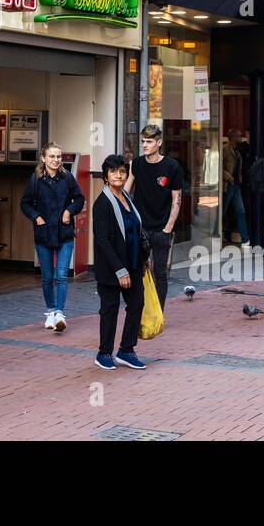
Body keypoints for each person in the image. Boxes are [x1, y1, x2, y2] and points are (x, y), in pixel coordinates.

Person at [92, 154, 149, 370]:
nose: (119, 175)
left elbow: (137, 230)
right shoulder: (103, 203)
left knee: (137, 304)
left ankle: (126, 350)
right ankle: (104, 353)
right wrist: (119, 270)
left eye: (122, 171)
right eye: (114, 171)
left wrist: (144, 259)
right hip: (112, 268)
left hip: (133, 263)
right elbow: (103, 241)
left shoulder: (126, 198)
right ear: (106, 176)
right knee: (110, 309)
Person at [21, 142, 85, 333]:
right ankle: (50, 311)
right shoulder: (35, 180)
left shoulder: (67, 178)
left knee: (62, 276)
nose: (56, 160)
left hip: (64, 234)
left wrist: (69, 211)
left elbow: (79, 199)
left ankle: (59, 312)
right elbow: (25, 204)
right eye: (52, 157)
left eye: (59, 157)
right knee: (47, 277)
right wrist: (36, 217)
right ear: (43, 158)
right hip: (43, 233)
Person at [127, 124, 182, 304]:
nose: (144, 145)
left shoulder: (172, 166)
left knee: (160, 273)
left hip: (161, 229)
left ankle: (158, 313)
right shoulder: (136, 164)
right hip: (140, 229)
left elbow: (176, 200)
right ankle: (140, 310)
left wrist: (168, 228)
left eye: (149, 141)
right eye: (143, 141)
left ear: (159, 142)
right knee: (137, 270)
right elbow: (125, 193)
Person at [222, 129, 249, 245]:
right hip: (228, 184)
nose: (240, 138)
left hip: (235, 185)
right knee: (223, 211)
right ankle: (217, 234)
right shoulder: (226, 149)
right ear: (233, 137)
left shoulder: (236, 151)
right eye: (238, 136)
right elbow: (218, 165)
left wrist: (239, 177)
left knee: (240, 210)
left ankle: (245, 239)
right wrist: (228, 177)